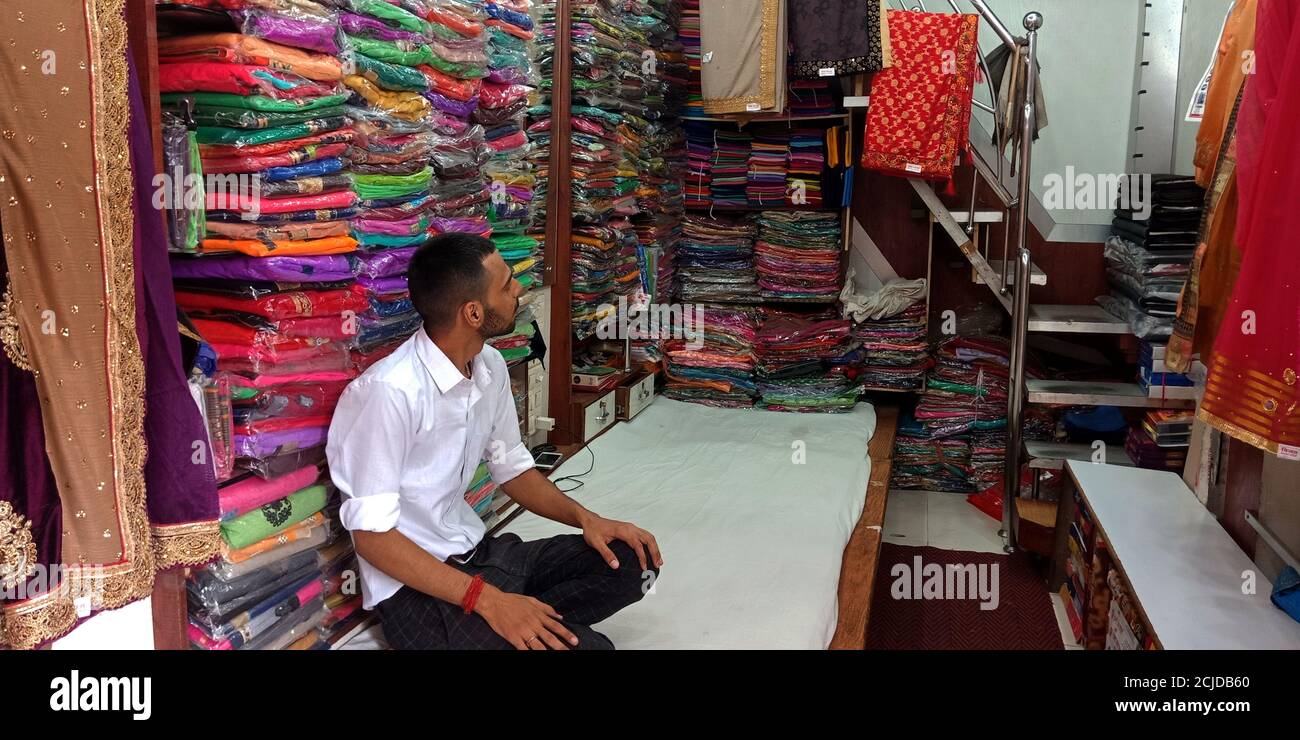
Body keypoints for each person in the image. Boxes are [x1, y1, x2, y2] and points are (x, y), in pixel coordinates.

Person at [327, 234, 663, 649]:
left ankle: (513, 623)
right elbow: (373, 540)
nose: (519, 289)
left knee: (632, 561)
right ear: (473, 312)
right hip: (418, 591)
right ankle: (501, 624)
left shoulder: (487, 365)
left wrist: (587, 520)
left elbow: (513, 468)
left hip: (481, 557)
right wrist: (486, 601)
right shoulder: (388, 393)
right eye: (506, 285)